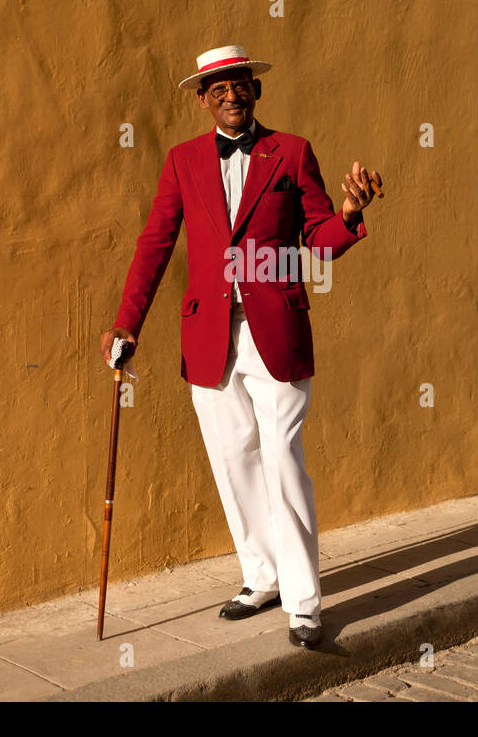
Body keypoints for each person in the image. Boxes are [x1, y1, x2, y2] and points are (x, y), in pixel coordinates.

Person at [99, 45, 382, 648]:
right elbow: (155, 243)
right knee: (234, 460)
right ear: (203, 99)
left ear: (257, 90)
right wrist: (127, 323)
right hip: (209, 335)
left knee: (282, 459)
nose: (232, 95)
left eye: (241, 84)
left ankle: (304, 604)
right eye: (219, 88)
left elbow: (319, 240)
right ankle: (263, 577)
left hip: (275, 330)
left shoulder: (292, 152)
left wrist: (349, 214)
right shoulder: (182, 161)